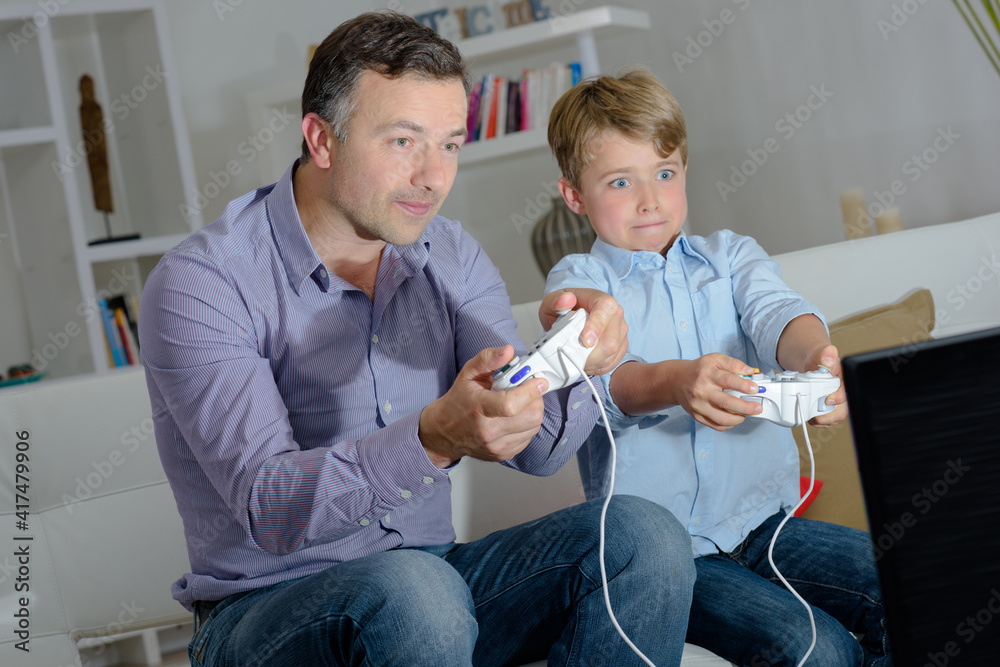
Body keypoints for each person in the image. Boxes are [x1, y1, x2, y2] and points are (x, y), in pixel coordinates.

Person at [140, 12, 696, 667]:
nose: (433, 175)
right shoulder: (203, 282)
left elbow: (540, 447)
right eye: (404, 141)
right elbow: (271, 507)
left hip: (433, 585)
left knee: (641, 534)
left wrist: (581, 357)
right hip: (264, 612)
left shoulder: (450, 253)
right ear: (322, 139)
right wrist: (433, 438)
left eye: (451, 144)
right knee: (416, 591)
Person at [544, 69, 893, 666]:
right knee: (819, 649)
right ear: (575, 196)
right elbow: (611, 380)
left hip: (767, 526)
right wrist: (678, 382)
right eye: (621, 181)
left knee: (910, 581)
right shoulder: (579, 284)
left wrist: (815, 357)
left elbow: (777, 313)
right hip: (672, 559)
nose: (650, 199)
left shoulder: (730, 257)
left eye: (665, 173)